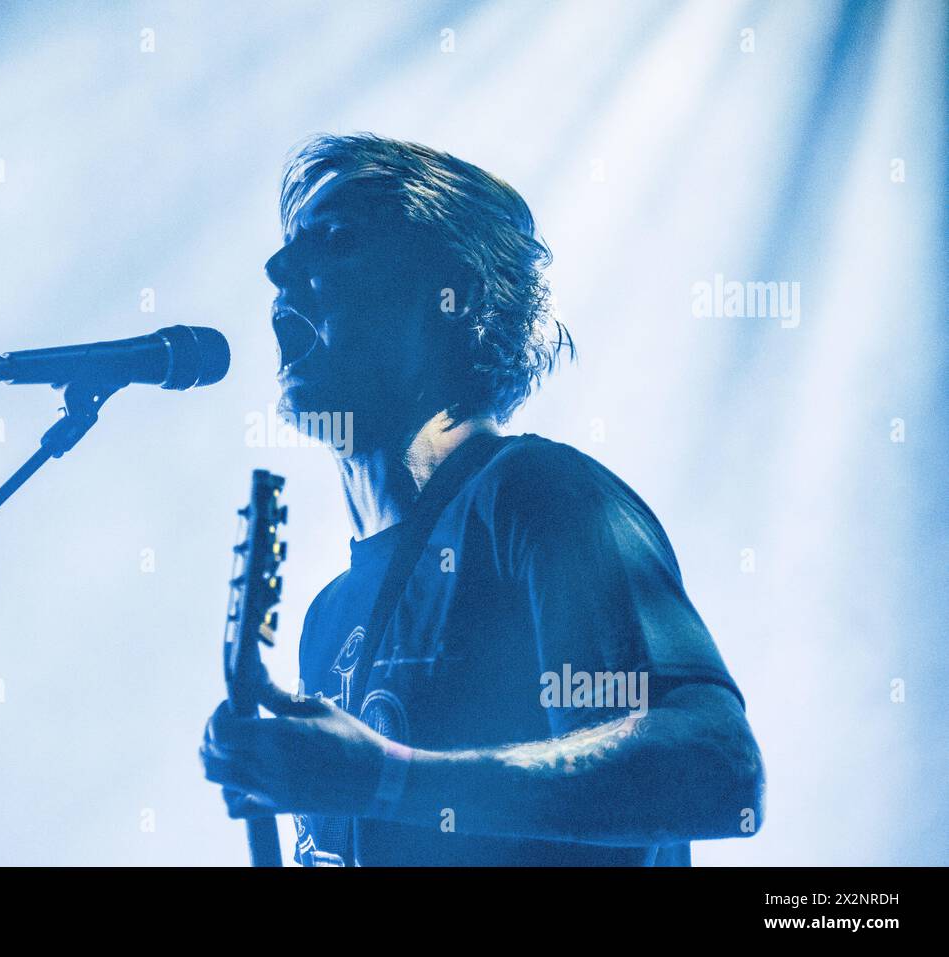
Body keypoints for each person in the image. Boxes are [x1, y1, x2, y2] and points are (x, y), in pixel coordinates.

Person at [201, 133, 764, 866]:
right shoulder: (329, 619)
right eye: (285, 249)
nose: (278, 269)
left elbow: (717, 768)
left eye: (335, 239)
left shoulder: (535, 495)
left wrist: (386, 778)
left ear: (451, 293)